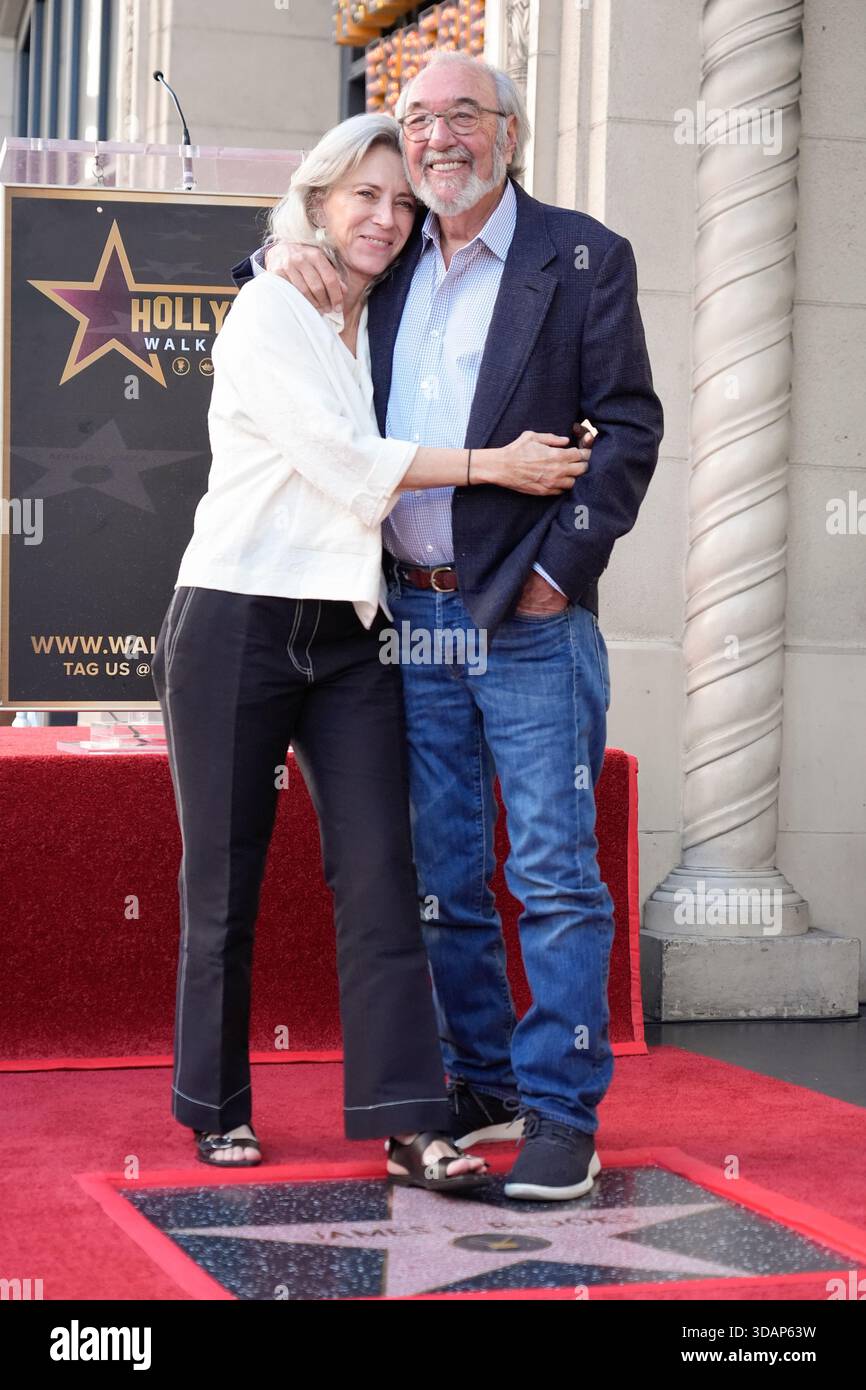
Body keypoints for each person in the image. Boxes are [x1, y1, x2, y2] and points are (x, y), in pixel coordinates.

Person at [235, 50, 663, 1201]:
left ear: (508, 134)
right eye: (415, 119)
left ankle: (562, 1109)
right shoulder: (377, 260)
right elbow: (265, 275)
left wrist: (558, 575)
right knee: (442, 874)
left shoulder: (579, 260)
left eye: (460, 115)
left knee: (555, 872)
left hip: (525, 622)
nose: (434, 139)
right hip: (404, 625)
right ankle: (484, 1078)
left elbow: (625, 429)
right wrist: (275, 249)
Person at [152, 110, 589, 1190]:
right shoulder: (267, 309)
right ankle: (213, 1102)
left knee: (384, 880)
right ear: (317, 201)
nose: (388, 218)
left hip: (353, 635)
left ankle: (408, 1121)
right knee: (223, 878)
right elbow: (344, 460)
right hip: (235, 618)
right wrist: (494, 465)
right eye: (364, 196)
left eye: (402, 201)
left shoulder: (379, 309)